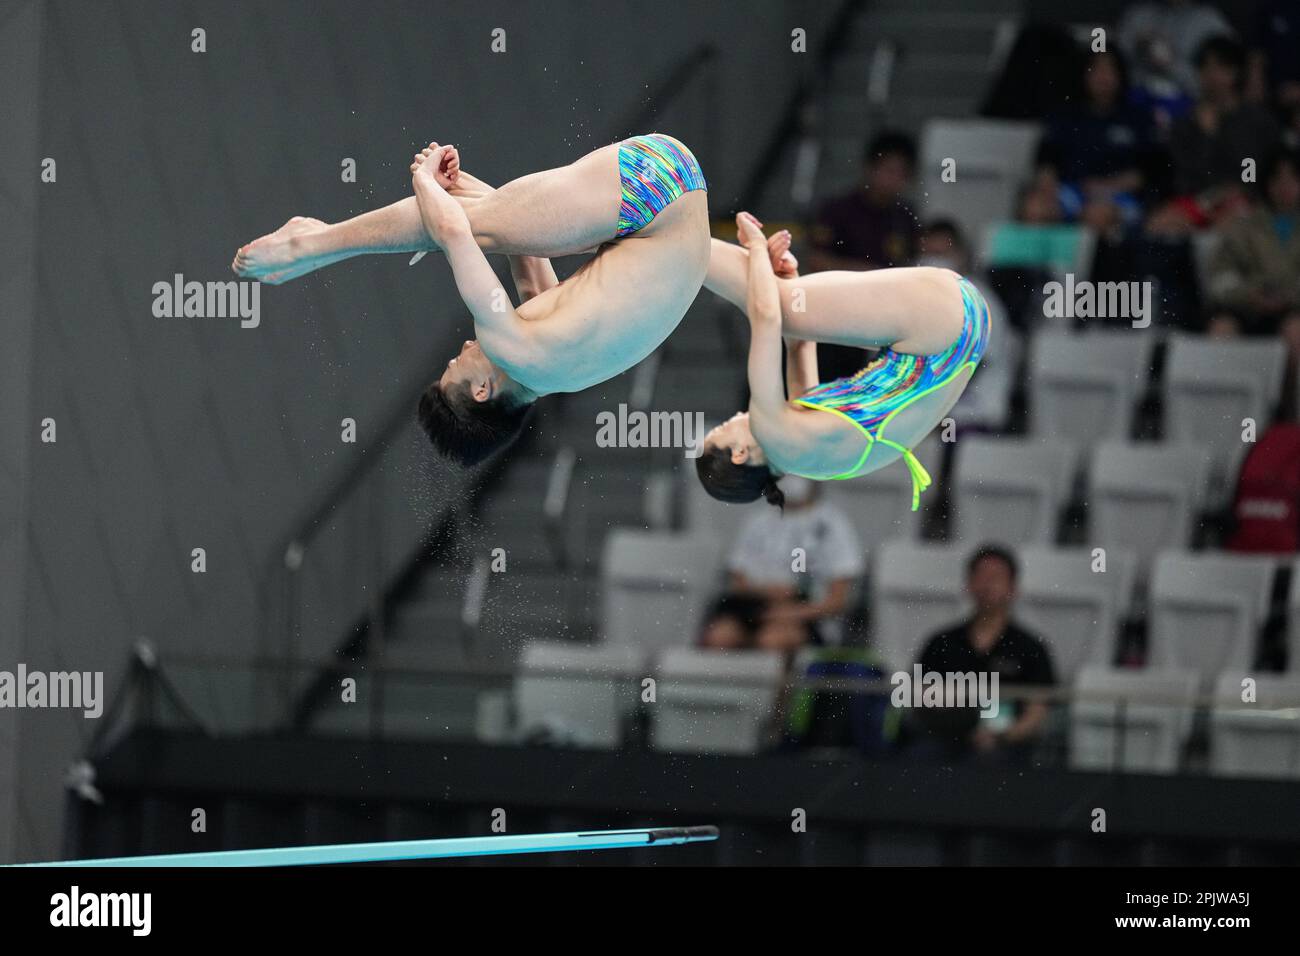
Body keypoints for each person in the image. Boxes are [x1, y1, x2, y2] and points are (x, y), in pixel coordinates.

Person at [232, 135, 710, 465]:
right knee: (467, 230)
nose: (460, 351)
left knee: (484, 225)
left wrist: (461, 187)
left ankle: (323, 240)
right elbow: (455, 231)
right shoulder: (511, 350)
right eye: (454, 368)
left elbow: (525, 246)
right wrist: (424, 181)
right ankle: (311, 246)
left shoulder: (557, 369)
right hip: (655, 188)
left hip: (675, 191)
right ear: (482, 391)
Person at [696, 213, 990, 513]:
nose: (732, 417)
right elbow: (767, 315)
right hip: (936, 322)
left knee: (787, 303)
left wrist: (788, 278)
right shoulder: (771, 432)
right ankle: (679, 241)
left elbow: (798, 343)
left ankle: (681, 245)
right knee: (781, 302)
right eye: (722, 428)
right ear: (740, 453)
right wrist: (756, 246)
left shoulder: (810, 459)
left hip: (966, 331)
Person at [910, 545, 1056, 765]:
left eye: (996, 577)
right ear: (968, 585)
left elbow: (1037, 712)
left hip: (1006, 744)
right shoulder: (941, 642)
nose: (987, 584)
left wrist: (1002, 736)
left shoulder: (1031, 648)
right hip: (945, 740)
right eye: (980, 576)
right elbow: (918, 693)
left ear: (1014, 588)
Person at [699, 478, 865, 651]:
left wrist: (789, 612)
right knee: (720, 636)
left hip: (808, 617)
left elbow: (838, 600)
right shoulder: (757, 521)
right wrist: (770, 595)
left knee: (772, 640)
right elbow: (738, 583)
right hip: (756, 610)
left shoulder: (834, 524)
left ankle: (782, 677)